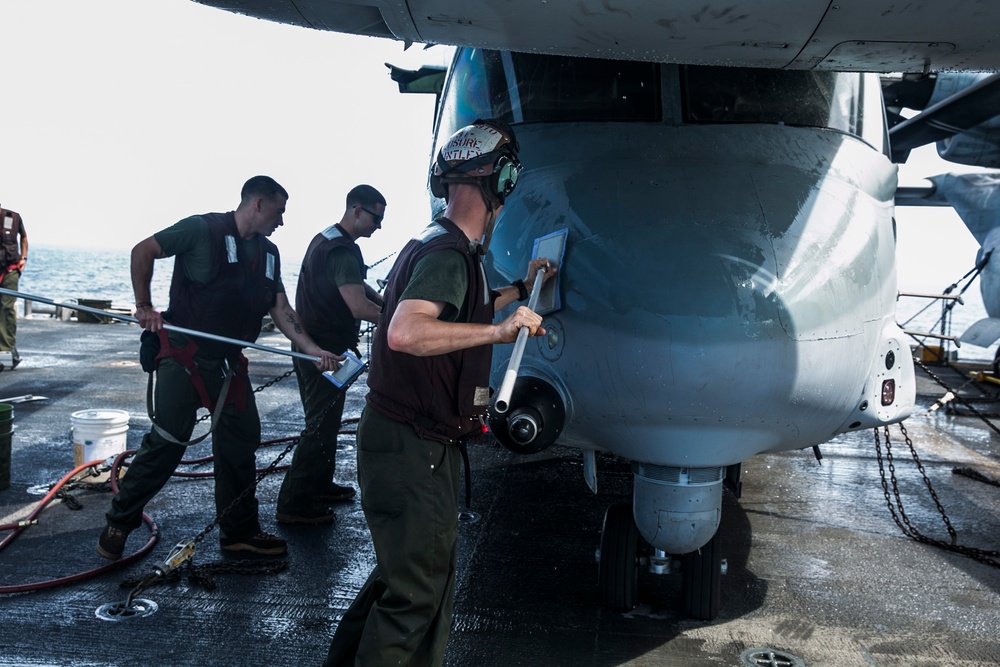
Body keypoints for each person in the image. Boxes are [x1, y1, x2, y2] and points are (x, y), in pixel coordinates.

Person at [324, 119, 556, 666]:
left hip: (412, 440)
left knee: (405, 576)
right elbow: (406, 331)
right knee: (416, 593)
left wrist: (521, 288)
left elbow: (464, 306)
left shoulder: (442, 247)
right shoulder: (450, 257)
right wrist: (500, 333)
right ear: (500, 180)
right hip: (413, 445)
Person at [96, 175, 341, 561]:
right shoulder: (200, 229)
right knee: (168, 442)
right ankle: (118, 524)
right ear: (258, 204)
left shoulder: (271, 253)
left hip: (229, 365)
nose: (281, 221)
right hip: (183, 356)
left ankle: (239, 533)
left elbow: (281, 309)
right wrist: (144, 306)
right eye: (279, 211)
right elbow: (143, 251)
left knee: (241, 442)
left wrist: (313, 350)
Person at [275, 184, 387, 525]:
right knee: (319, 426)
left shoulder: (326, 239)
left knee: (328, 420)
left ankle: (319, 485)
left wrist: (388, 302)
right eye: (375, 217)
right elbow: (356, 304)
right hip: (322, 350)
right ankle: (294, 503)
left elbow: (356, 287)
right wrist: (400, 321)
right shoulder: (342, 250)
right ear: (355, 210)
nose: (379, 226)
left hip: (315, 343)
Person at [0, 202, 28, 371]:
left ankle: (6, 349)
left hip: (10, 269)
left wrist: (24, 258)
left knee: (7, 307)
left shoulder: (13, 217)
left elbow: (24, 237)